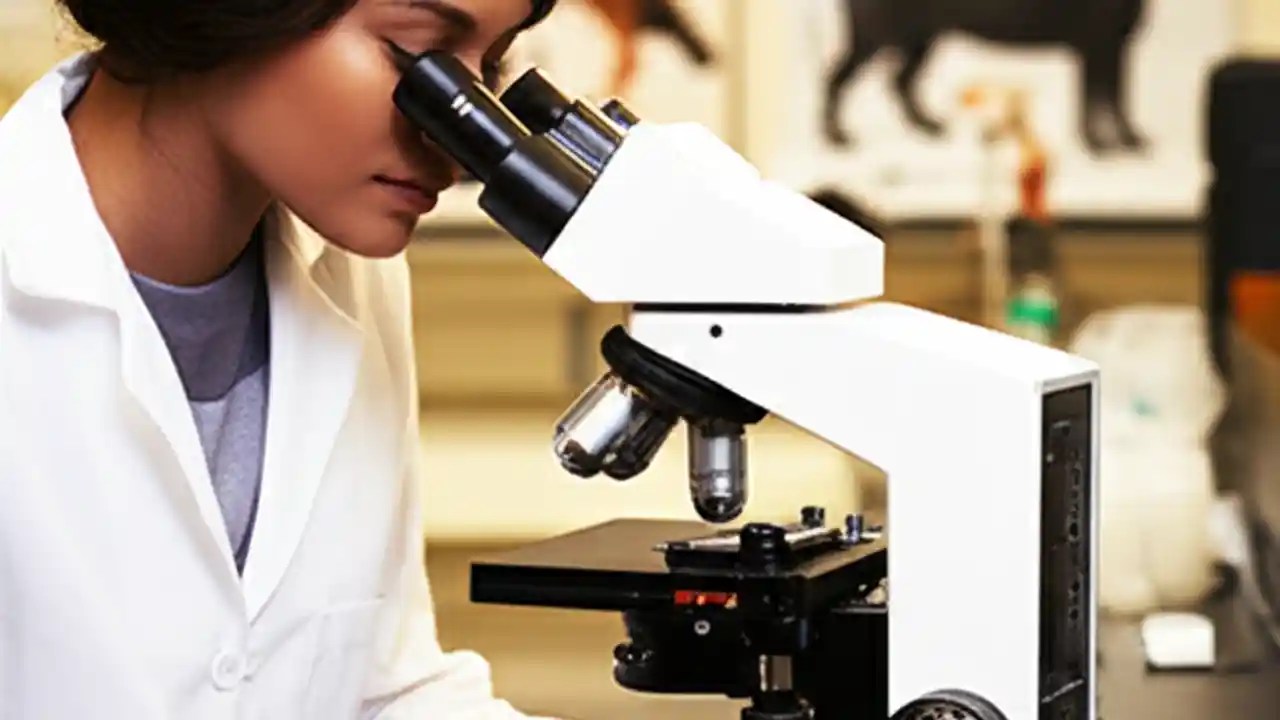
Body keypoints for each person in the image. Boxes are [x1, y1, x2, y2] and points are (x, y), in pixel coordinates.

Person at [0, 0, 559, 717]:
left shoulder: (356, 278)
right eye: (416, 54)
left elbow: (380, 688)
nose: (455, 142)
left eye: (488, 68)